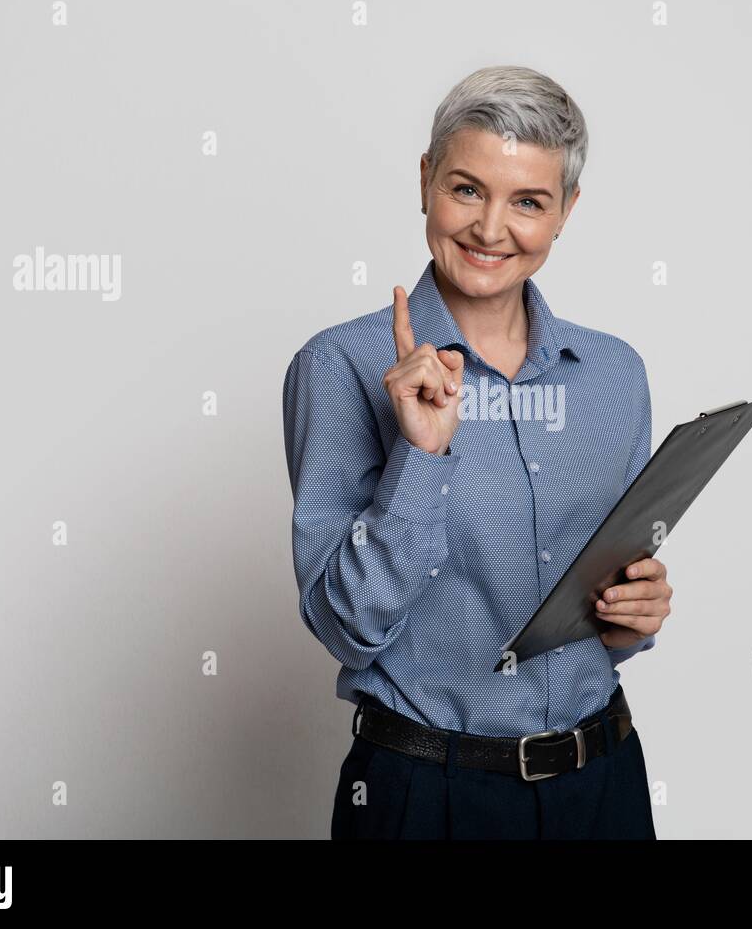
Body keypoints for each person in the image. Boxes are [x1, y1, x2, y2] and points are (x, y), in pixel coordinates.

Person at [282, 65, 673, 839]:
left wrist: (634, 616)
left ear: (564, 213)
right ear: (426, 180)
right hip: (430, 798)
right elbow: (346, 626)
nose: (491, 229)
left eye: (527, 201)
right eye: (466, 189)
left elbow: (609, 602)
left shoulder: (615, 375)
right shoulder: (341, 367)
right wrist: (422, 455)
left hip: (605, 784)